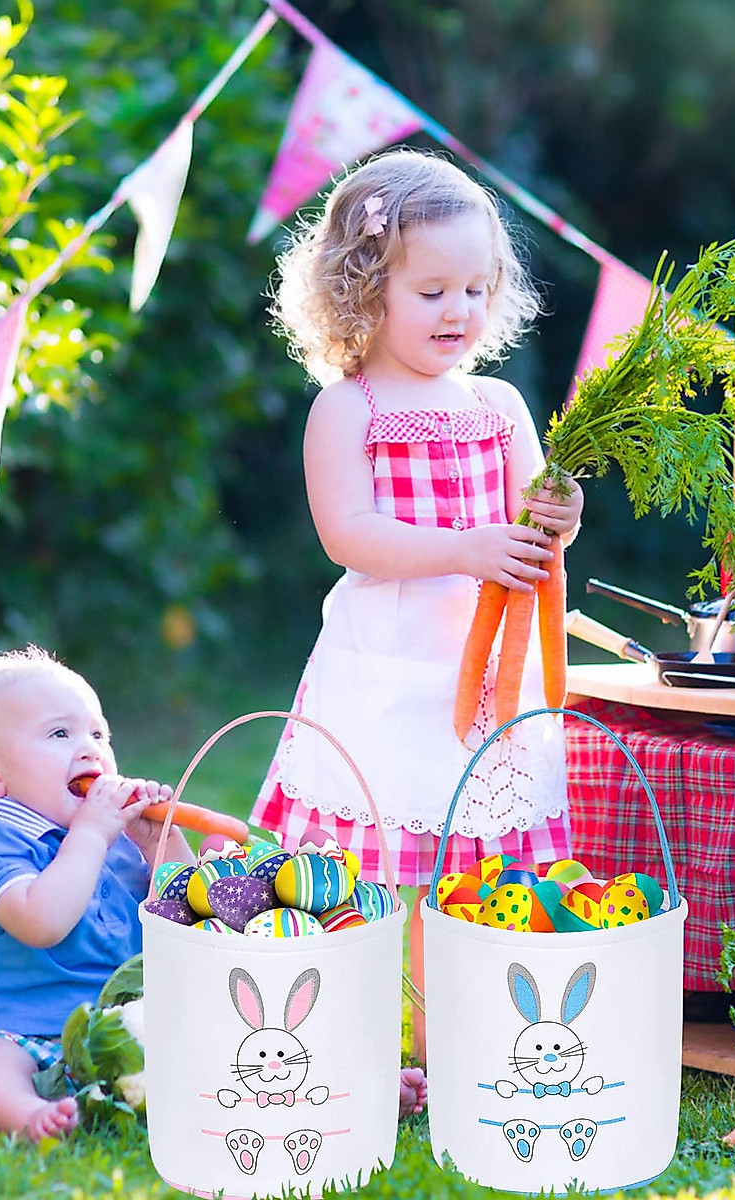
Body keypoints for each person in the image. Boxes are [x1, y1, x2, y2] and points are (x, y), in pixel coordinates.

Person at [252, 148, 584, 1062]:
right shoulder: (347, 409)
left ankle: (447, 1050)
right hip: (388, 670)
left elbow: (533, 527)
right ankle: (341, 1043)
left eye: (475, 290)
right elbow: (349, 536)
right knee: (363, 879)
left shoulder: (501, 404)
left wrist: (559, 516)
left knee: (470, 879)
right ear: (365, 294)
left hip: (488, 678)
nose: (459, 312)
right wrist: (466, 550)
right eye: (432, 291)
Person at [0, 645, 193, 1141]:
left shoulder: (111, 836)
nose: (91, 749)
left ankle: (352, 1088)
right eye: (60, 733)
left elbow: (185, 914)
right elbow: (42, 921)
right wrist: (93, 835)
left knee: (216, 1030)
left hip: (122, 1030)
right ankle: (26, 1114)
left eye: (98, 733)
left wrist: (157, 841)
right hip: (17, 1028)